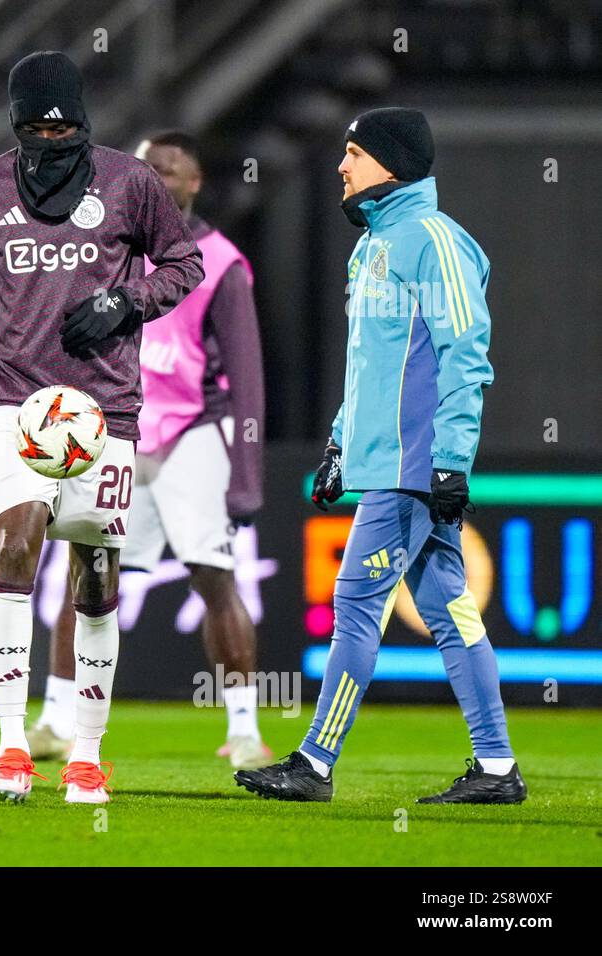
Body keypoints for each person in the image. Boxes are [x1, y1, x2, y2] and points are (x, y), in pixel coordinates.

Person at [0, 52, 203, 804]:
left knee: (97, 575)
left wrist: (125, 302)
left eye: (63, 127)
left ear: (82, 120)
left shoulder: (130, 182)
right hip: (18, 403)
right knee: (16, 543)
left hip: (105, 407)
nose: (52, 139)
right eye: (37, 129)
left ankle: (86, 754)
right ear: (16, 125)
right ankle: (13, 748)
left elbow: (183, 264)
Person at [235, 107, 525, 803]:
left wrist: (450, 459)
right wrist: (340, 443)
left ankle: (315, 763)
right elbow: (369, 366)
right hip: (391, 463)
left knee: (357, 603)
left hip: (413, 467)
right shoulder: (372, 245)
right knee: (451, 611)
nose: (342, 165)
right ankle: (496, 768)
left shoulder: (436, 241)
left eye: (355, 153)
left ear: (391, 161)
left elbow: (467, 357)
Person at [0, 130, 270, 770]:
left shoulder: (220, 261)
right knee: (85, 568)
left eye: (168, 171)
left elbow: (247, 377)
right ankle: (56, 720)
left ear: (195, 183)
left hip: (192, 433)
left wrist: (246, 474)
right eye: (144, 169)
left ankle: (245, 728)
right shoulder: (107, 246)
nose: (153, 180)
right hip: (111, 428)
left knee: (213, 574)